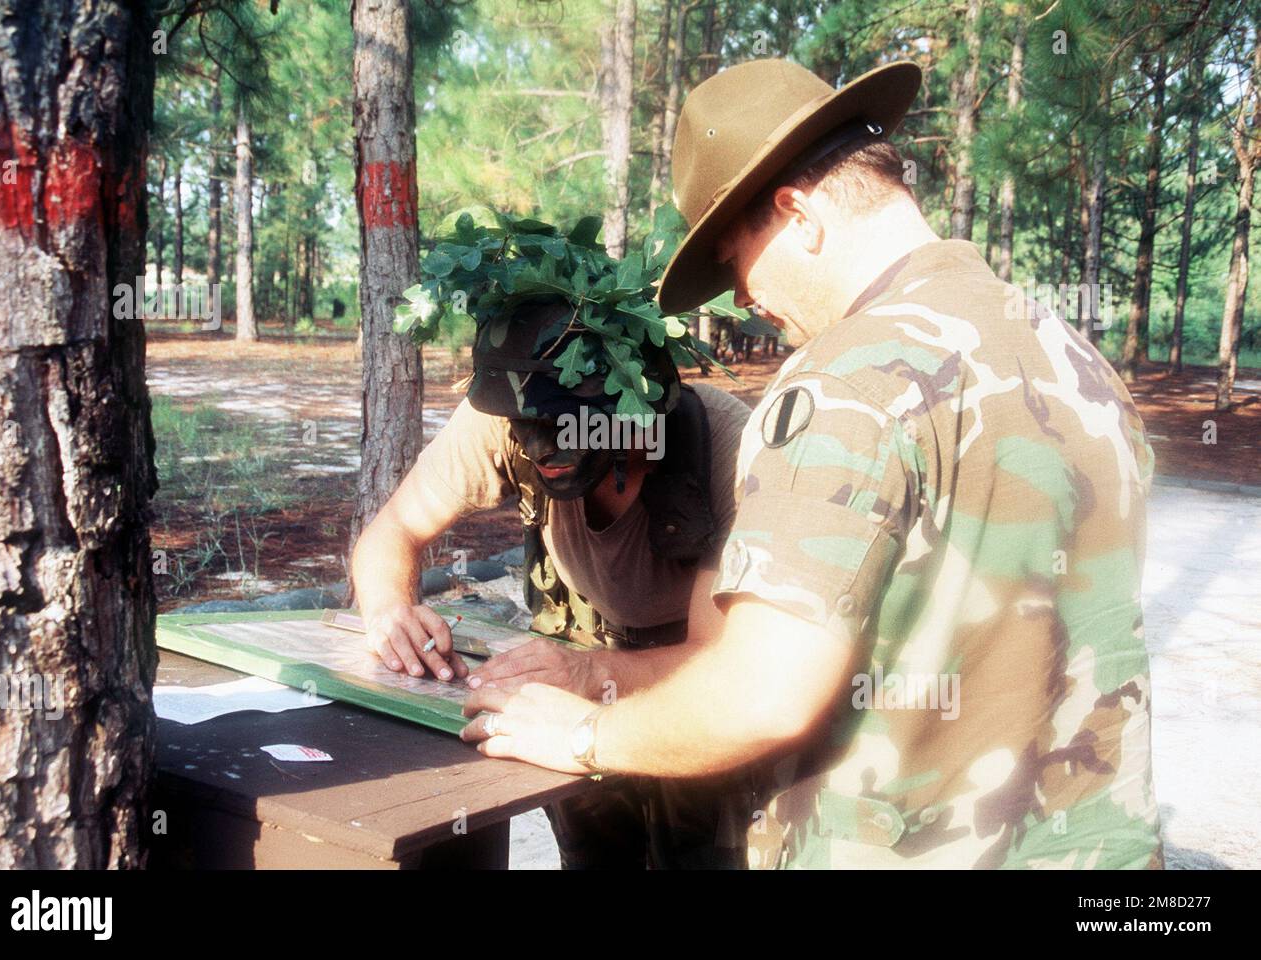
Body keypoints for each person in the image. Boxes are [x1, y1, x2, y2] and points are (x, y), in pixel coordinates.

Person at [461, 58, 1165, 870]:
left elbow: (764, 693)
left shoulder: (849, 379)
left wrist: (583, 732)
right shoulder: (1074, 358)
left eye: (736, 259)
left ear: (800, 214)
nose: (744, 296)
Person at [350, 231, 754, 868]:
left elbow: (721, 666)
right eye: (525, 426)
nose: (538, 448)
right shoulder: (510, 404)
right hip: (579, 654)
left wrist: (592, 677)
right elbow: (392, 531)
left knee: (701, 846)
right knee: (595, 855)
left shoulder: (727, 450)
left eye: (564, 425)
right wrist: (388, 610)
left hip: (693, 686)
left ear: (635, 402)